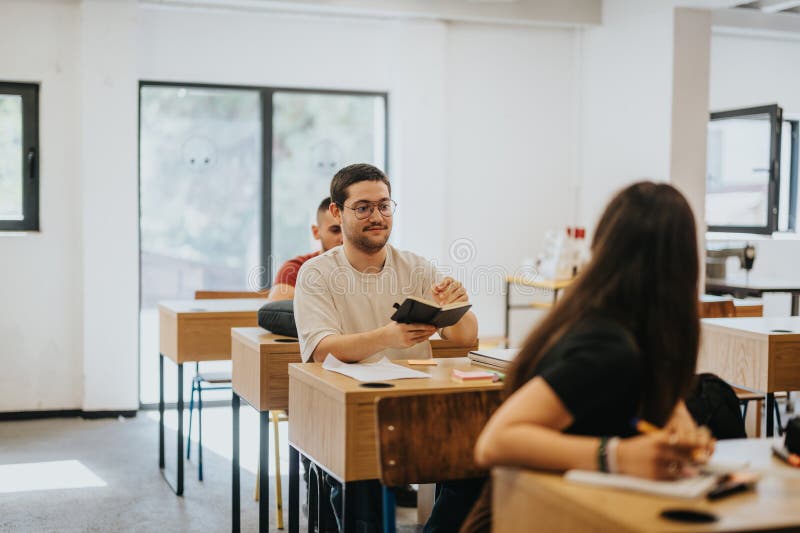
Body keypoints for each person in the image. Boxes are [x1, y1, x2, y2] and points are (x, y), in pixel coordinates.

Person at [458, 182, 715, 532]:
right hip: (521, 517)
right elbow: (495, 442)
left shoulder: (623, 331)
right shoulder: (607, 348)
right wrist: (619, 457)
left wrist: (676, 419)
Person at [293, 163, 478, 531]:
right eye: (362, 207)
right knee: (360, 477)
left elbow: (465, 339)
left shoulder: (416, 266)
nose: (376, 216)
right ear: (337, 211)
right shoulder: (316, 274)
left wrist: (456, 305)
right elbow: (321, 350)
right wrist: (388, 336)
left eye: (384, 205)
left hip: (417, 412)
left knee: (478, 464)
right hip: (352, 417)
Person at [267, 196, 342, 302]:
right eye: (335, 230)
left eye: (347, 230)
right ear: (316, 232)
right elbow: (276, 310)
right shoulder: (295, 269)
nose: (344, 238)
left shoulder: (368, 267)